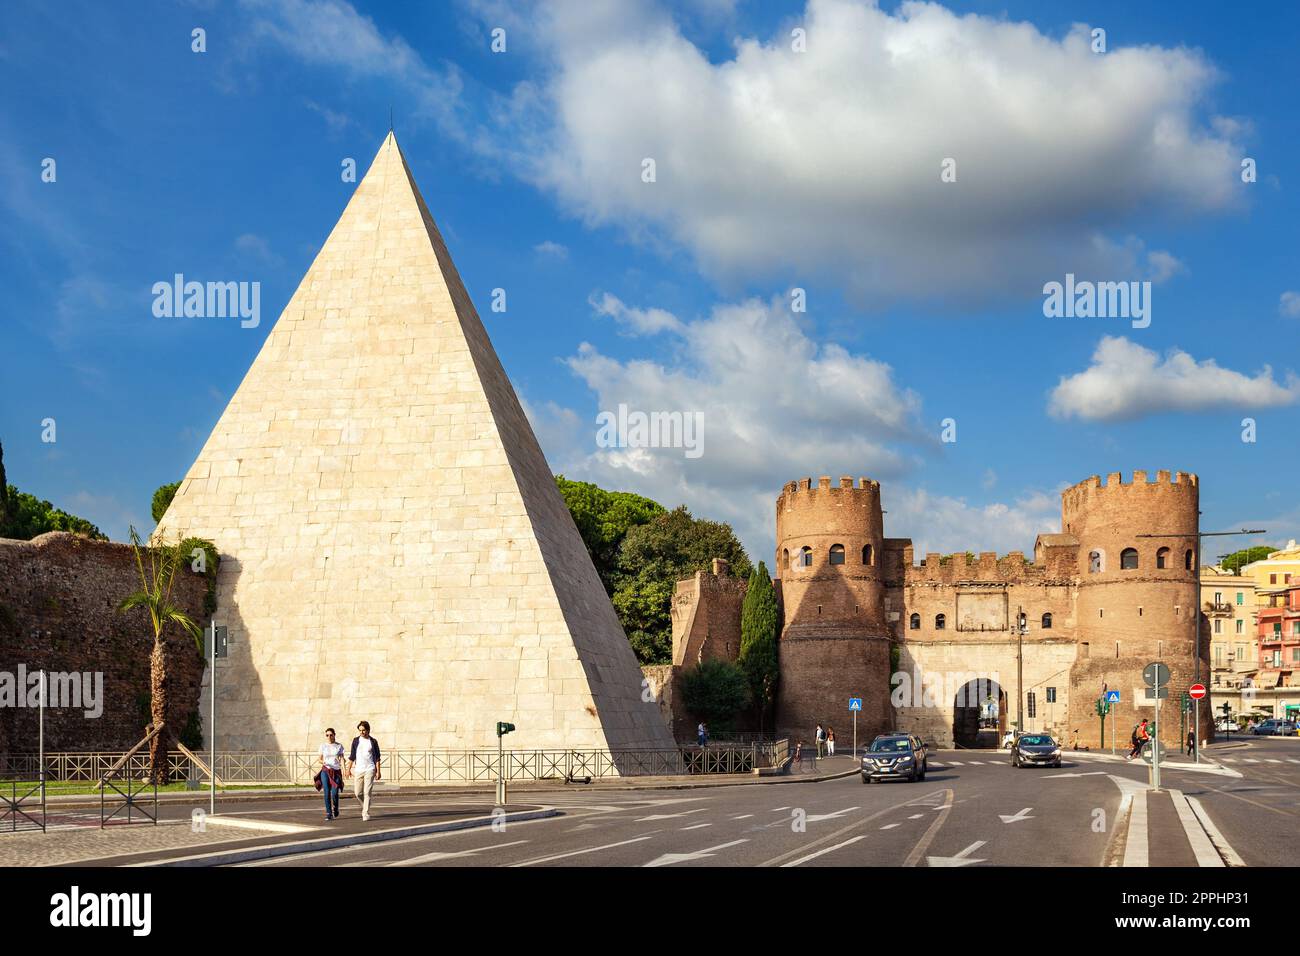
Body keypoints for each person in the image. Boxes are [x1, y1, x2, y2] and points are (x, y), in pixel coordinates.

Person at [348, 720, 382, 821]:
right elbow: (352, 756)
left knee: (367, 792)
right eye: (360, 730)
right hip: (358, 769)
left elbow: (377, 758)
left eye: (363, 730)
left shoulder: (373, 741)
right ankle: (366, 804)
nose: (362, 732)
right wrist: (348, 769)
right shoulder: (356, 741)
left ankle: (365, 813)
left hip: (370, 769)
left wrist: (378, 771)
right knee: (358, 793)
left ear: (368, 730)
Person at [318, 727, 345, 821]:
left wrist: (345, 770)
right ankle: (329, 813)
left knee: (334, 792)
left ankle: (336, 808)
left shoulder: (339, 746)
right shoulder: (323, 746)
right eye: (327, 735)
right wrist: (323, 762)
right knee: (326, 792)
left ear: (334, 735)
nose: (329, 737)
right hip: (325, 770)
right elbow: (319, 759)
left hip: (336, 771)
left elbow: (342, 758)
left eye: (331, 735)